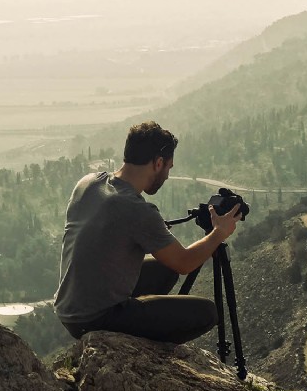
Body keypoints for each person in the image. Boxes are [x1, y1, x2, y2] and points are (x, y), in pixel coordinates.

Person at [54, 121, 242, 343]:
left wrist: (147, 232)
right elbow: (184, 263)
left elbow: (107, 232)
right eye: (169, 168)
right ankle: (145, 353)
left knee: (166, 269)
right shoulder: (138, 210)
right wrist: (219, 233)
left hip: (68, 308)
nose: (168, 175)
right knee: (207, 313)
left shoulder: (89, 183)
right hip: (95, 318)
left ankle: (139, 320)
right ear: (158, 163)